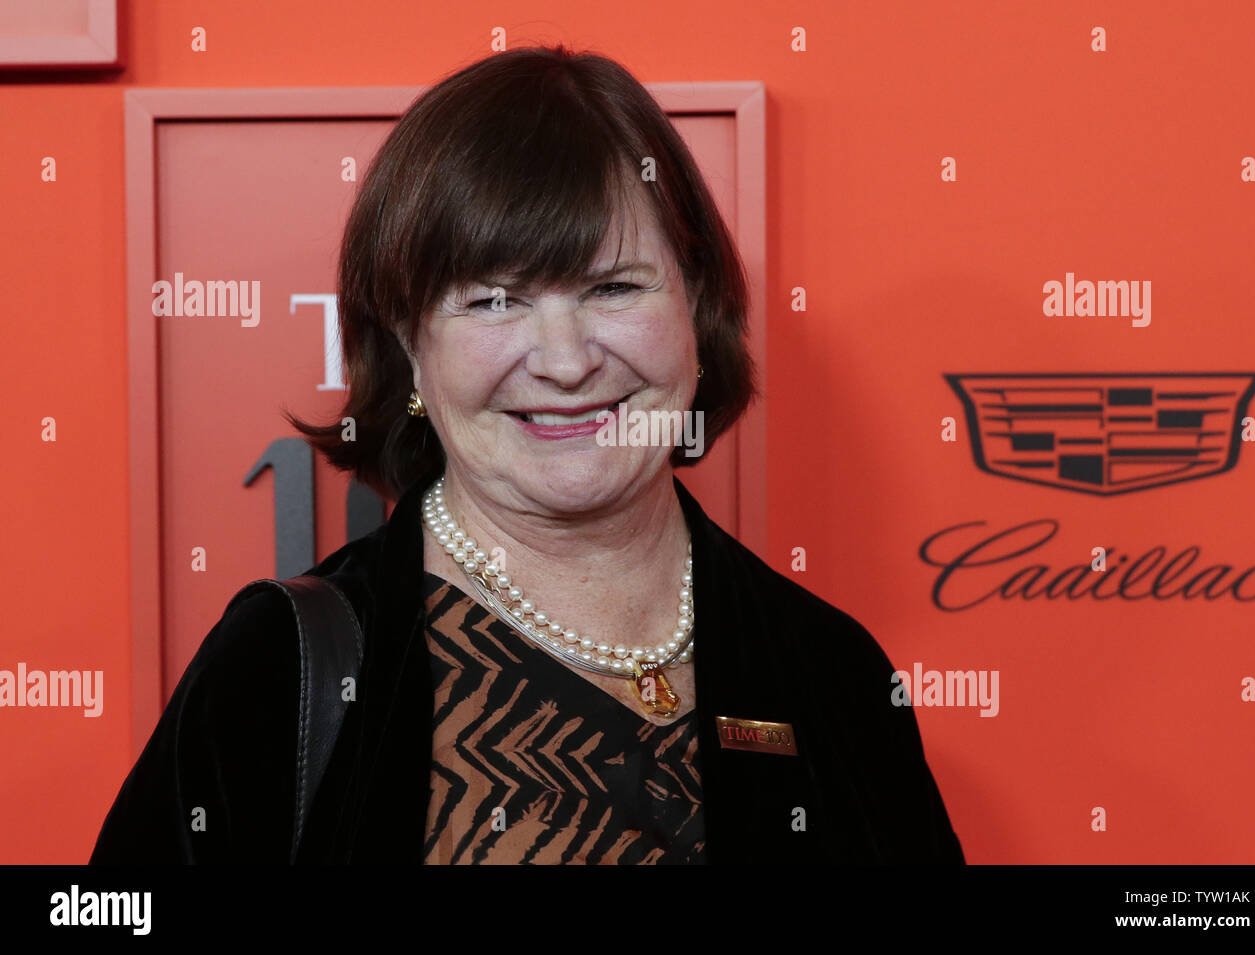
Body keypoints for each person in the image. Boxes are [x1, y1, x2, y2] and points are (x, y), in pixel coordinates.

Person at [90, 44, 964, 864]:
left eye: (613, 286)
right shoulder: (279, 670)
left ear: (697, 308)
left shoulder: (831, 671)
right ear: (408, 343)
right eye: (494, 302)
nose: (566, 358)